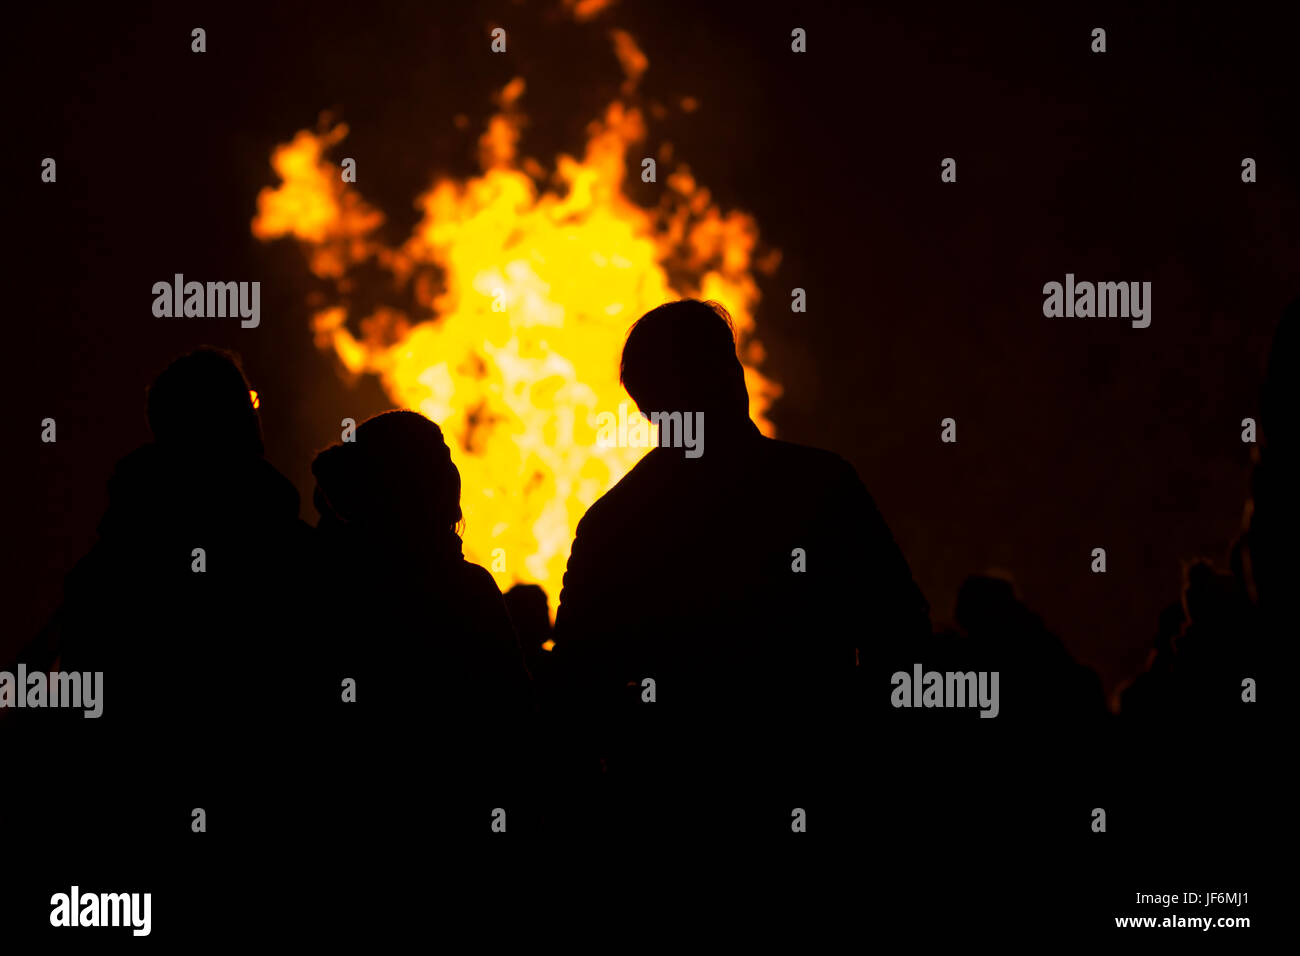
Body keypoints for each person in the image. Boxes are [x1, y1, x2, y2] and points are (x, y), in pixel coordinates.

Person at [553, 299, 930, 839]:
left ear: (646, 407)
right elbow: (899, 632)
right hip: (820, 791)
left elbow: (578, 694)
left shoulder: (612, 525)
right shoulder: (820, 485)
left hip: (676, 810)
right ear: (734, 376)